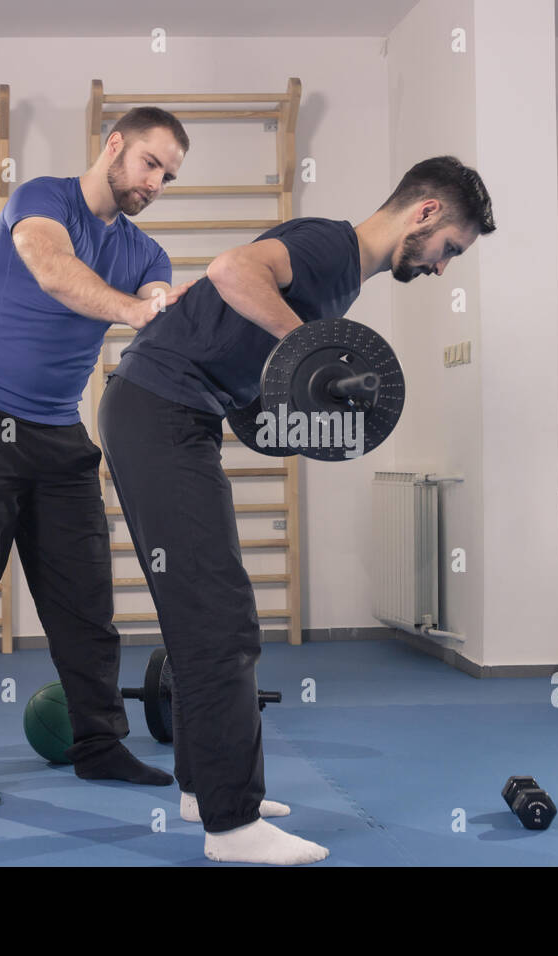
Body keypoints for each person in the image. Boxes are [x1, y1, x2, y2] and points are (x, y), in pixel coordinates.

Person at [99, 155, 496, 863]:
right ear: (427, 213)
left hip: (173, 414)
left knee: (205, 614)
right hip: (158, 410)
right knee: (219, 617)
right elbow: (229, 269)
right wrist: (309, 348)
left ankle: (201, 788)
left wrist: (305, 400)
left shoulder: (341, 276)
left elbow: (256, 376)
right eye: (450, 250)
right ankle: (232, 825)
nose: (442, 268)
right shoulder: (330, 247)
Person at [0, 107, 196, 807]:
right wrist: (134, 311)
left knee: (86, 603)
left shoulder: (146, 254)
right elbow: (52, 270)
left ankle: (100, 745)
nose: (157, 182)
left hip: (56, 430)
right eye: (150, 163)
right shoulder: (43, 199)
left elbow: (157, 298)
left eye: (168, 174)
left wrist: (164, 305)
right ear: (114, 147)